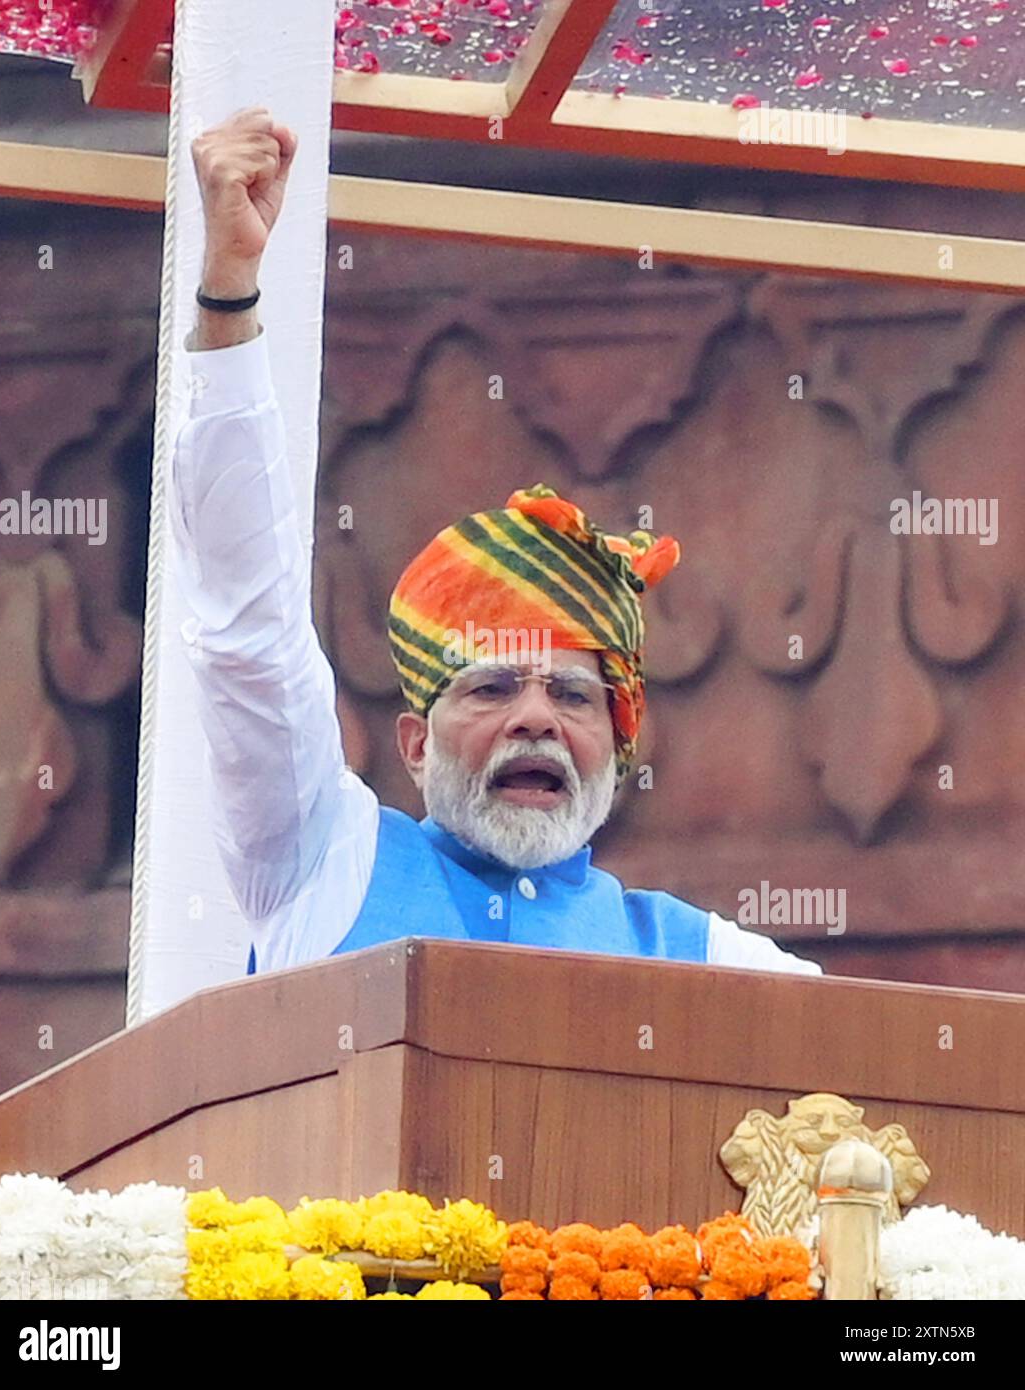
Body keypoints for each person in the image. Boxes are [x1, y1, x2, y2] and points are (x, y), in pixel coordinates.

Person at [171, 106, 821, 979]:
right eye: (492, 686)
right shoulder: (324, 863)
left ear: (619, 752)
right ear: (414, 744)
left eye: (575, 697)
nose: (536, 719)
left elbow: (868, 1078)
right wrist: (230, 288)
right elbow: (247, 638)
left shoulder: (694, 959)